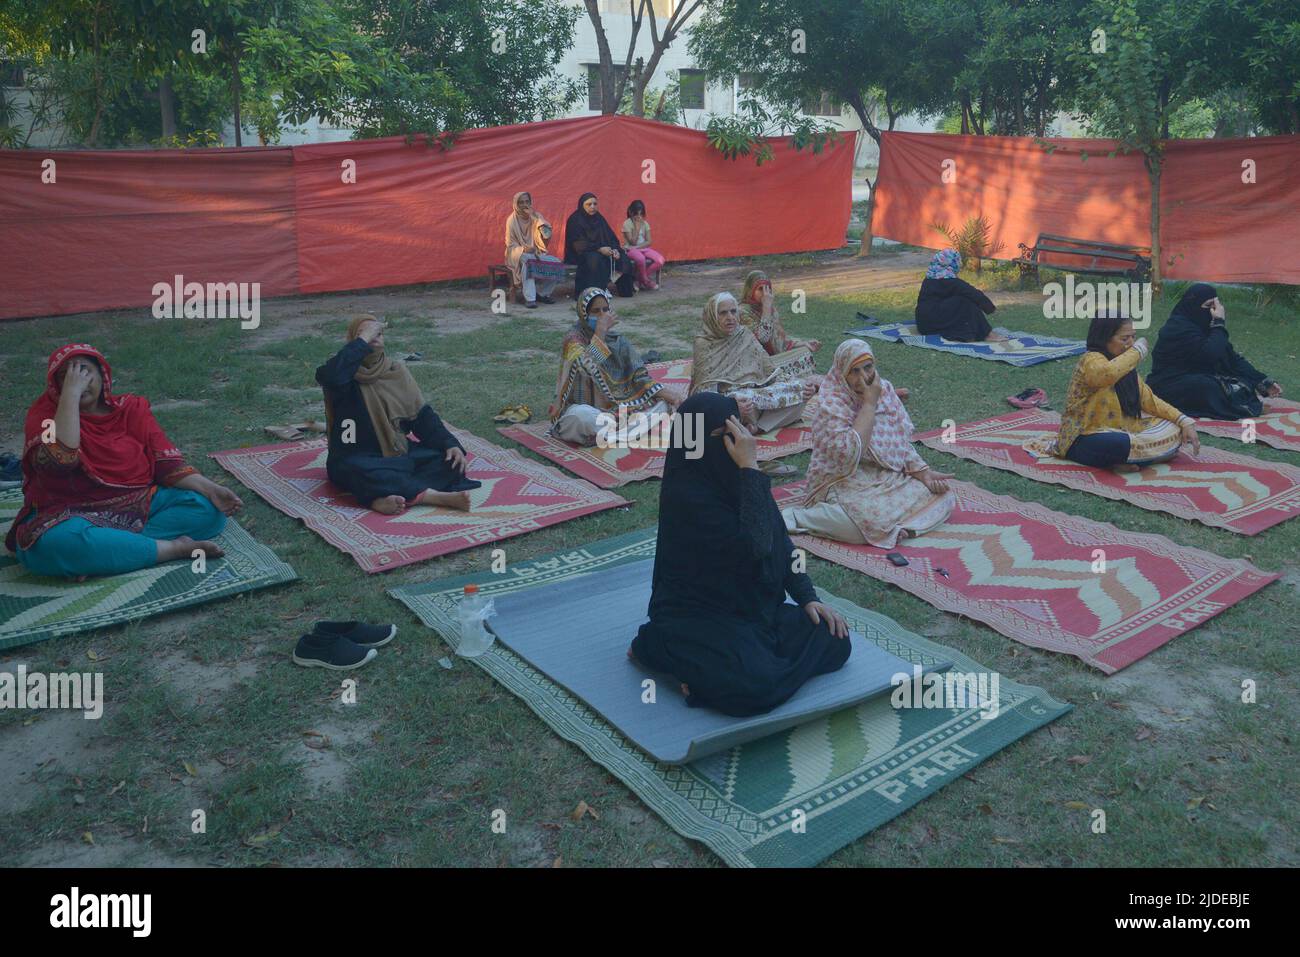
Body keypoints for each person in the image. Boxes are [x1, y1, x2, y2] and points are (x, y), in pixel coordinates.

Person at [628, 391, 852, 717]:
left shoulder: (737, 479)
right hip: (699, 617)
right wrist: (750, 468)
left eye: (738, 433)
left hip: (752, 608)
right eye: (725, 436)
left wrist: (807, 598)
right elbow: (757, 546)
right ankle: (656, 646)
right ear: (697, 441)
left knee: (834, 639)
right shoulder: (688, 496)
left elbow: (778, 539)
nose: (738, 442)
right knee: (755, 685)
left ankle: (720, 673)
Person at [5, 344, 240, 579]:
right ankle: (170, 549)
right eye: (66, 376)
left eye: (84, 371)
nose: (76, 380)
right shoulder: (44, 419)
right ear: (56, 387)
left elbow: (167, 465)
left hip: (137, 505)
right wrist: (71, 396)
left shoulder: (131, 410)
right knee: (54, 545)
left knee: (207, 509)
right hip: (68, 513)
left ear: (103, 376)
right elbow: (62, 460)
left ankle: (109, 553)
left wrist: (212, 489)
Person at [783, 339, 954, 547]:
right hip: (841, 479)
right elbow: (850, 454)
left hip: (880, 475)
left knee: (943, 497)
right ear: (842, 372)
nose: (863, 378)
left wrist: (923, 473)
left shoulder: (884, 389)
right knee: (859, 525)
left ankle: (893, 526)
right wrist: (869, 404)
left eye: (868, 367)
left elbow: (898, 441)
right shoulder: (831, 403)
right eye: (854, 371)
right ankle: (800, 517)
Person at [316, 315, 479, 514]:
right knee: (357, 471)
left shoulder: (395, 371)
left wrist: (449, 443)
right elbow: (331, 378)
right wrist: (363, 340)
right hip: (354, 455)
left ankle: (382, 496)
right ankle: (430, 496)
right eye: (364, 334)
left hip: (395, 452)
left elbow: (422, 418)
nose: (373, 337)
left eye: (378, 333)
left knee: (448, 461)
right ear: (353, 341)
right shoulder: (343, 373)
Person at [1034, 313, 1199, 471]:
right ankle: (1139, 457)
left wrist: (1183, 420)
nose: (1131, 343)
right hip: (1085, 435)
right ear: (1104, 338)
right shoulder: (1091, 360)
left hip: (1125, 429)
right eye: (1124, 338)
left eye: (1133, 337)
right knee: (1119, 444)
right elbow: (1107, 374)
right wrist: (1138, 351)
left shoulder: (1125, 365)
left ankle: (1127, 459)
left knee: (1173, 427)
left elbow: (1150, 401)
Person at [549, 288, 684, 446]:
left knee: (662, 404)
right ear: (584, 314)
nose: (602, 316)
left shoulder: (619, 341)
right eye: (596, 311)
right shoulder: (573, 339)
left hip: (618, 409)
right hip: (586, 409)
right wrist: (600, 332)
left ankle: (611, 434)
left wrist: (670, 395)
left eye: (605, 310)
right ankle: (621, 433)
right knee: (580, 418)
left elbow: (640, 377)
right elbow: (586, 368)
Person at [1147, 282, 1282, 420]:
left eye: (1215, 306)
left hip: (1198, 375)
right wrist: (1219, 324)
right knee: (1208, 386)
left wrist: (1263, 381)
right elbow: (1209, 355)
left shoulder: (1205, 327)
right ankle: (1238, 406)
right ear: (1192, 305)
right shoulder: (1177, 327)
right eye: (1208, 306)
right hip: (1169, 383)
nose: (1212, 311)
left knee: (1239, 380)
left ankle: (1233, 402)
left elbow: (1232, 358)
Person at [690, 292, 817, 435]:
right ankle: (741, 423)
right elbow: (704, 392)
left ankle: (758, 427)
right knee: (737, 403)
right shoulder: (704, 343)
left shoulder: (744, 334)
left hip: (757, 391)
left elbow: (769, 368)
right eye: (723, 313)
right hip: (729, 398)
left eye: (733, 311)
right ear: (712, 316)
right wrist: (731, 403)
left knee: (801, 390)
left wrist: (796, 383)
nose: (730, 317)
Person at [914, 248, 1006, 342]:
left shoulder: (929, 278)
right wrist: (990, 308)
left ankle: (973, 332)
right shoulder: (950, 281)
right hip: (933, 323)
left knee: (959, 301)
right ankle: (987, 334)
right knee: (966, 301)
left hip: (923, 325)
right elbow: (973, 293)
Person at [563, 192, 635, 299]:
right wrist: (599, 248)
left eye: (595, 204)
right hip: (580, 253)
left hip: (601, 250)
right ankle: (595, 292)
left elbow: (611, 237)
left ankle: (625, 291)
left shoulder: (599, 218)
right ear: (582, 205)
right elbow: (577, 244)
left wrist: (615, 249)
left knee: (623, 257)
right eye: (589, 204)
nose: (592, 207)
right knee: (595, 259)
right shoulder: (575, 220)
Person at [505, 191, 565, 309]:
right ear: (516, 204)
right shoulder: (511, 220)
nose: (524, 205)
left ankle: (543, 293)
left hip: (535, 253)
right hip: (517, 253)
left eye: (527, 202)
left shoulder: (536, 216)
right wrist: (523, 249)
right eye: (521, 202)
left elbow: (546, 234)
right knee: (528, 262)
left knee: (557, 263)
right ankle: (530, 298)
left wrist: (535, 217)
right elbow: (510, 244)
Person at [739, 269, 820, 355]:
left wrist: (802, 343)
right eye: (760, 289)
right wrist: (766, 309)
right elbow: (763, 338)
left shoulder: (770, 309)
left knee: (805, 353)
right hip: (753, 358)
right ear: (750, 291)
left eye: (768, 288)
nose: (766, 293)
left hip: (771, 356)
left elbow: (779, 339)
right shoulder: (742, 311)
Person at [621, 200, 665, 291]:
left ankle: (639, 279)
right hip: (630, 250)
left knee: (660, 260)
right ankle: (647, 281)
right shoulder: (627, 223)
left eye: (641, 214)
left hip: (643, 248)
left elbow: (649, 241)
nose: (639, 217)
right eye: (636, 214)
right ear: (631, 212)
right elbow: (632, 242)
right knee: (641, 259)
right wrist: (637, 228)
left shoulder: (645, 223)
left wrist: (638, 247)